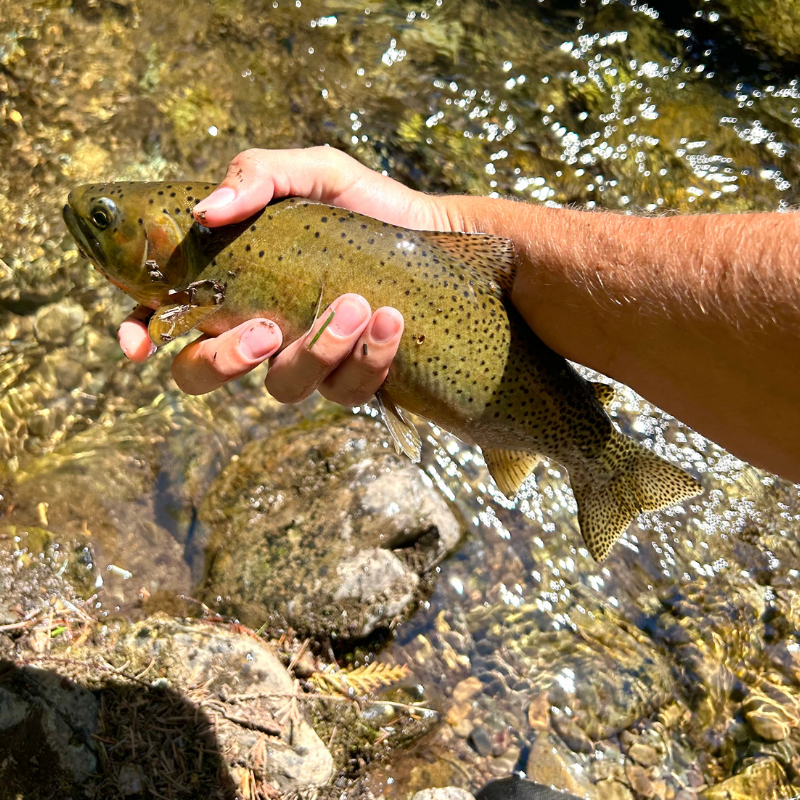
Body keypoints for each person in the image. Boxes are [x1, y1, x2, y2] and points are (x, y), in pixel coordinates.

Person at [118, 146, 800, 483]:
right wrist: (433, 223)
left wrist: (433, 229)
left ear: (156, 241)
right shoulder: (183, 280)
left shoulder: (180, 274)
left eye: (105, 222)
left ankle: (607, 470)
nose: (94, 229)